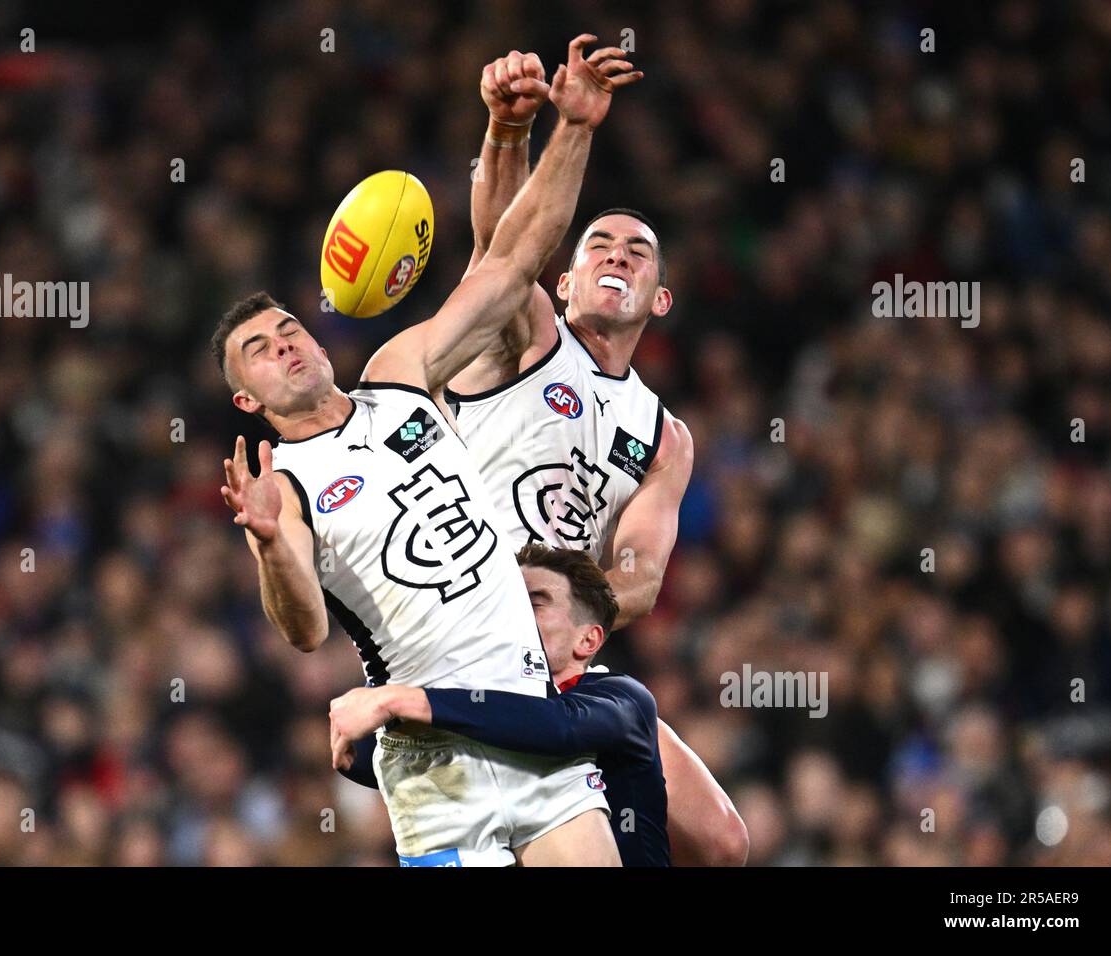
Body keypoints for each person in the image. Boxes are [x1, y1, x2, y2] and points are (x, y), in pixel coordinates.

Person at [214, 35, 641, 867]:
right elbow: (303, 629)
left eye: (291, 328)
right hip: (430, 754)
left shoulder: (400, 376)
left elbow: (514, 262)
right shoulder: (287, 487)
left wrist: (573, 126)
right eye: (261, 350)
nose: (287, 346)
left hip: (527, 710)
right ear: (248, 400)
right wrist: (268, 545)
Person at [443, 49, 747, 866]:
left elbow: (642, 576)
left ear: (662, 298)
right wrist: (511, 128)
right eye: (598, 246)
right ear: (567, 282)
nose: (617, 254)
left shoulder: (665, 436)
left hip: (566, 649)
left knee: (720, 843)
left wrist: (565, 612)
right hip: (466, 630)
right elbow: (503, 243)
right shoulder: (529, 335)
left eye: (638, 250)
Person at [331, 543, 671, 865]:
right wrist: (382, 694)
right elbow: (365, 761)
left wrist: (401, 699)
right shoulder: (482, 711)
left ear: (587, 639)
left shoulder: (624, 699)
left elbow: (556, 726)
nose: (512, 617)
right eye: (506, 604)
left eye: (535, 603)